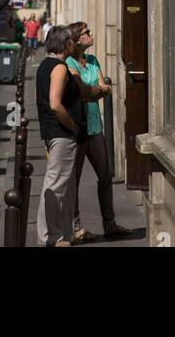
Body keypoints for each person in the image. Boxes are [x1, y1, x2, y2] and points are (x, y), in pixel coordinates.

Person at [35, 25, 110, 247]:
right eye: (70, 41)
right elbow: (56, 105)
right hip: (61, 134)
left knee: (62, 187)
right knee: (57, 186)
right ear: (65, 43)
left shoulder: (46, 65)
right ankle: (51, 237)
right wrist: (74, 126)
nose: (72, 44)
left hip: (56, 133)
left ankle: (62, 234)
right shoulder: (58, 68)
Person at [66, 21, 134, 241]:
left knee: (105, 174)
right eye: (87, 33)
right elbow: (81, 91)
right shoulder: (68, 63)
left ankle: (110, 223)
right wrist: (94, 91)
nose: (91, 34)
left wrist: (92, 92)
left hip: (95, 126)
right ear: (77, 40)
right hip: (77, 128)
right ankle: (75, 226)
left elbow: (105, 88)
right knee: (73, 180)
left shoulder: (93, 60)